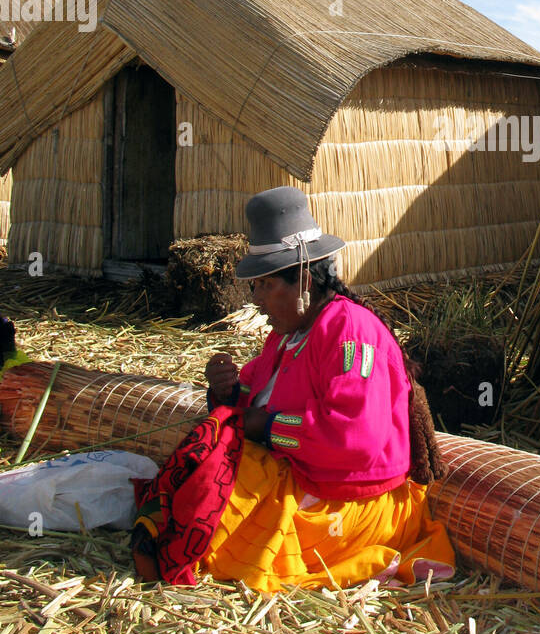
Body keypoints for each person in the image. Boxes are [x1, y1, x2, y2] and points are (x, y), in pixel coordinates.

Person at [131, 187, 455, 592]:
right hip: (305, 480)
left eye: (265, 285)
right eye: (256, 287)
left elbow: (355, 438)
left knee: (218, 501)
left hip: (352, 504)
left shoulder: (349, 332)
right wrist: (226, 393)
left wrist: (267, 428)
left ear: (302, 280)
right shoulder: (289, 335)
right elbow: (251, 394)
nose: (257, 299)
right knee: (207, 470)